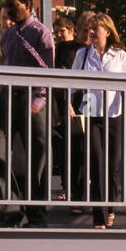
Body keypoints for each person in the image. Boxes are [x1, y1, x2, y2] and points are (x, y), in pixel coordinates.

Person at [0, 0, 55, 228]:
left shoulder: (41, 33)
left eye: (13, 5)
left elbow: (48, 70)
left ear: (27, 5)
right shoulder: (7, 35)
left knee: (38, 159)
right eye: (7, 5)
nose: (8, 9)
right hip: (8, 98)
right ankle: (12, 207)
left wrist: (38, 102)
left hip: (32, 100)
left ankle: (37, 216)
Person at [88, 13, 126, 229]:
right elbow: (71, 83)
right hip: (91, 114)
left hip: (114, 114)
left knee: (113, 165)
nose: (91, 33)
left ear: (107, 31)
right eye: (90, 30)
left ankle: (112, 207)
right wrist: (70, 104)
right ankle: (99, 216)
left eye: (95, 30)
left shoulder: (120, 56)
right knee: (97, 165)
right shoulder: (83, 54)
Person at [67, 12, 103, 210]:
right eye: (84, 30)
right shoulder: (75, 52)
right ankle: (79, 196)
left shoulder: (99, 51)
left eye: (91, 31)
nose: (87, 35)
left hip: (95, 103)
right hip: (82, 103)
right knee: (80, 153)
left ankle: (95, 197)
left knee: (94, 153)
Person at [51, 14, 78, 200]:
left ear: (71, 31)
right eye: (56, 32)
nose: (59, 35)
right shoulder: (56, 49)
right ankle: (66, 186)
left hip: (72, 104)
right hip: (57, 105)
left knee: (73, 147)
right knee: (62, 149)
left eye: (62, 31)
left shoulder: (76, 50)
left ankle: (74, 187)